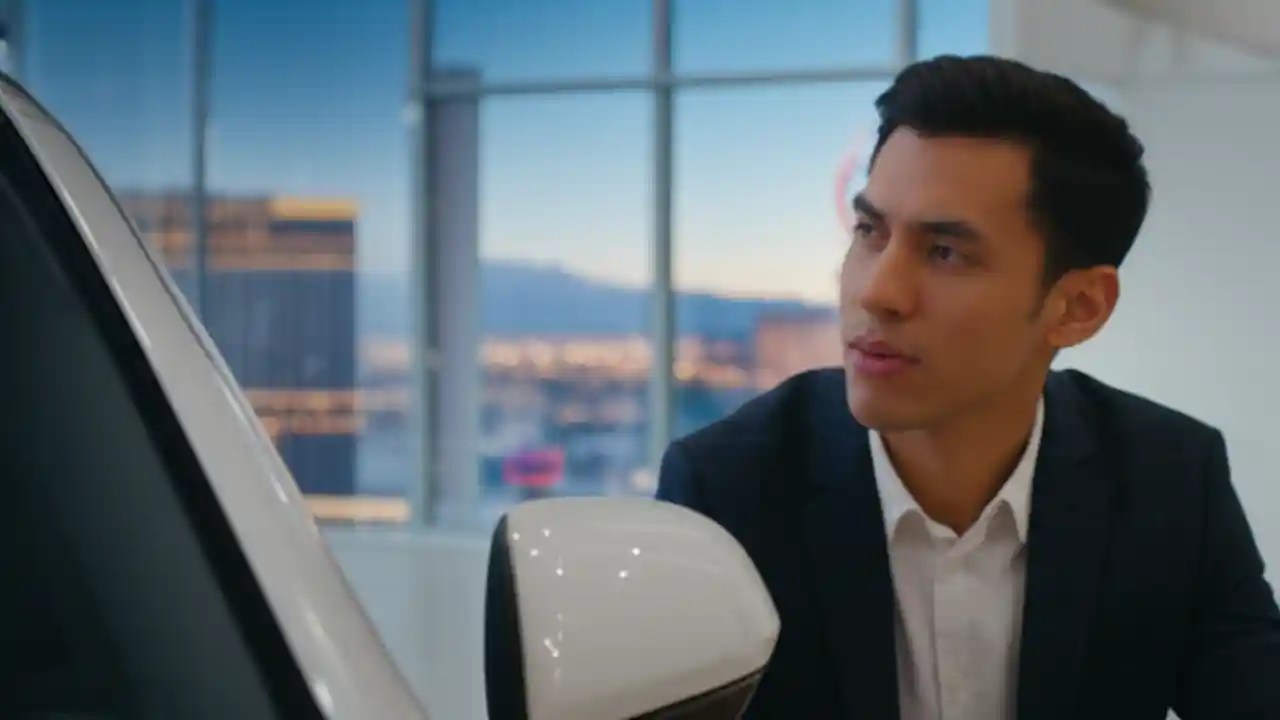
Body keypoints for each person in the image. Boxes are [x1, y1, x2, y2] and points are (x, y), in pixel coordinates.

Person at [657, 55, 1280, 720]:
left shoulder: (1169, 479)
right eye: (870, 231)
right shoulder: (729, 488)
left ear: (1078, 307)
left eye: (945, 252)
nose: (877, 292)